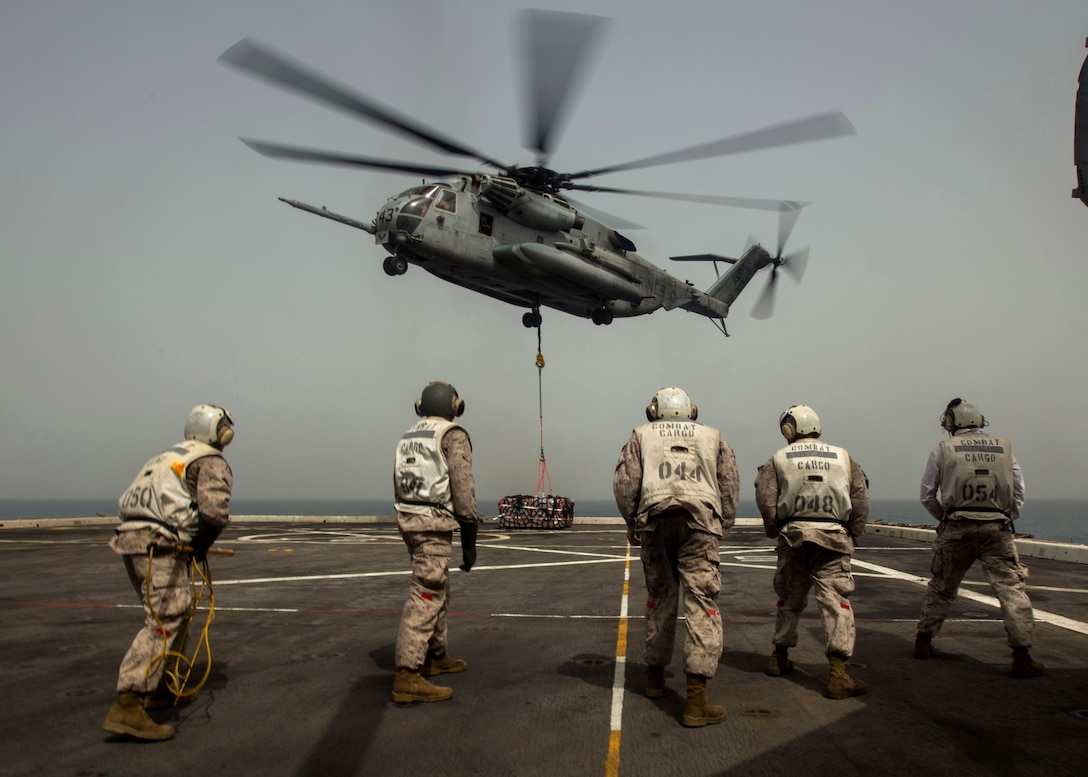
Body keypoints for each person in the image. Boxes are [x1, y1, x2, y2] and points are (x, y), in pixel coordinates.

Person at [102, 404, 234, 741]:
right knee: (166, 617)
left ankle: (160, 686)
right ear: (217, 431)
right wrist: (200, 547)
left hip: (131, 540)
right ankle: (129, 702)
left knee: (175, 611)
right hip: (159, 544)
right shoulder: (209, 460)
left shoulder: (165, 457)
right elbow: (215, 513)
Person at [613, 387, 739, 728]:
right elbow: (729, 483)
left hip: (654, 524)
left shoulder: (641, 435)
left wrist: (632, 522)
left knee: (659, 598)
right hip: (700, 525)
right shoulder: (713, 437)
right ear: (691, 410)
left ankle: (655, 679)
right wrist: (721, 525)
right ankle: (696, 699)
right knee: (702, 602)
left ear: (654, 410)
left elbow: (626, 484)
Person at [913, 398, 1044, 678]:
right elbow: (1018, 492)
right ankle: (1022, 655)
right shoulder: (1004, 449)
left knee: (942, 586)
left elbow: (927, 494)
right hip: (996, 528)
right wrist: (1007, 518)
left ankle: (924, 640)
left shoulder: (943, 450)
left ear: (951, 422)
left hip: (957, 527)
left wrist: (945, 519)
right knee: (1011, 590)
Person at [754, 404, 870, 700]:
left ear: (789, 429)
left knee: (789, 599)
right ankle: (837, 673)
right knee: (835, 602)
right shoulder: (843, 456)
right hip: (834, 538)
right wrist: (854, 531)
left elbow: (766, 498)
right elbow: (860, 497)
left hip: (794, 537)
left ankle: (779, 657)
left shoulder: (779, 458)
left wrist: (774, 529)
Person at [391, 381, 480, 703]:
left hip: (408, 518)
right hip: (433, 522)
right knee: (427, 591)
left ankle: (435, 655)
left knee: (437, 585)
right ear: (455, 406)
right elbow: (462, 483)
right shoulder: (452, 434)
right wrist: (470, 534)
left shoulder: (410, 436)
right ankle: (408, 673)